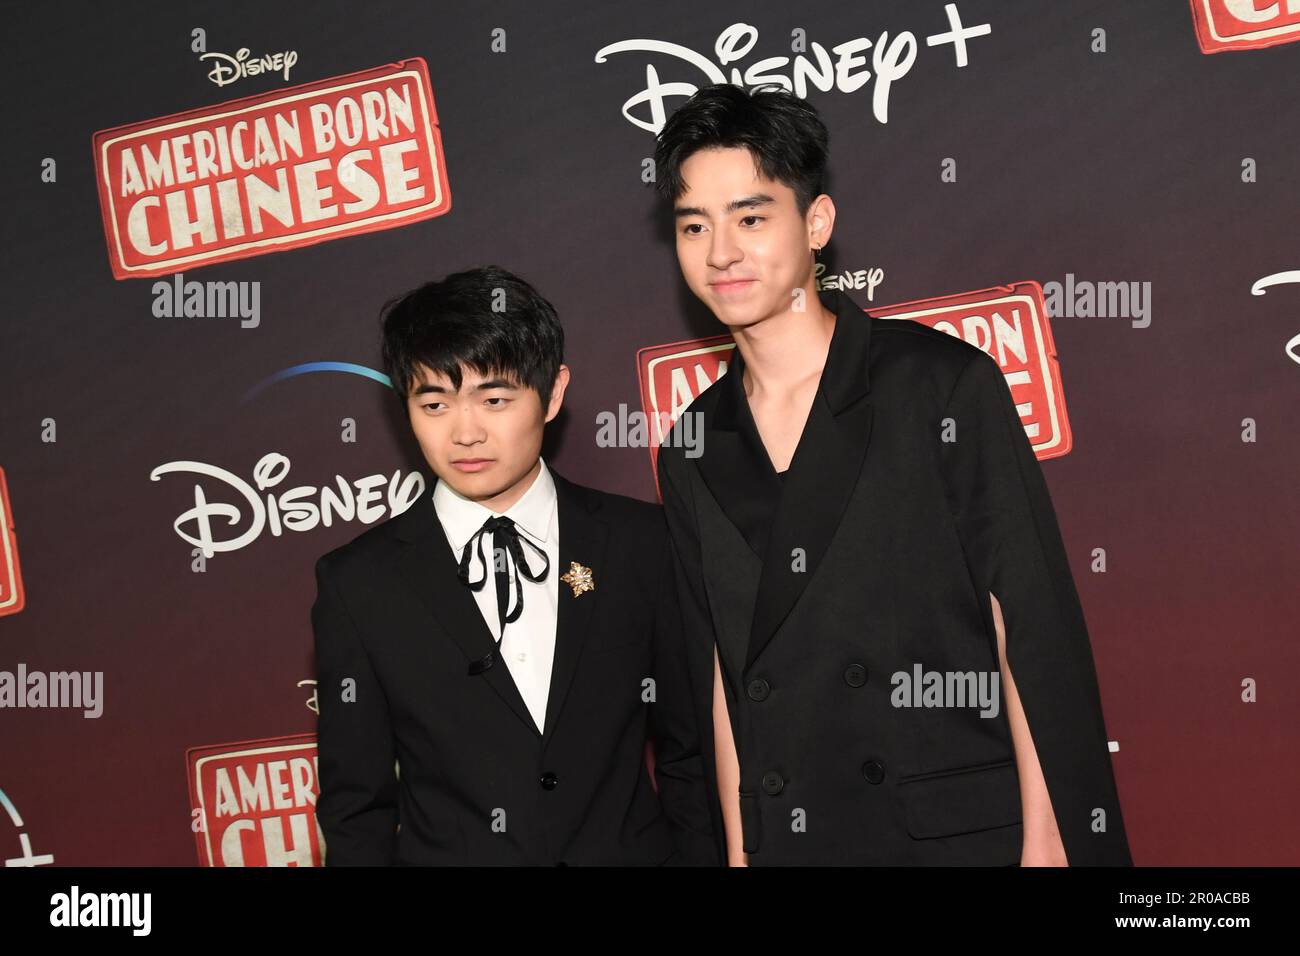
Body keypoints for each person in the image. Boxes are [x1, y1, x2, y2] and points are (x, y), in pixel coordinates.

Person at [652, 84, 1132, 866]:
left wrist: (1050, 846)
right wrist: (741, 851)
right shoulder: (693, 444)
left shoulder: (937, 386)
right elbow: (721, 674)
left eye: (750, 217)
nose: (721, 253)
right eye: (693, 226)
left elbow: (1029, 630)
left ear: (816, 224)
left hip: (951, 836)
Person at [311, 265, 718, 865]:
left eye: (494, 399)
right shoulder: (358, 584)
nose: (465, 432)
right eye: (434, 403)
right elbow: (357, 811)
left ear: (552, 393)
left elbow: (690, 757)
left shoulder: (641, 545)